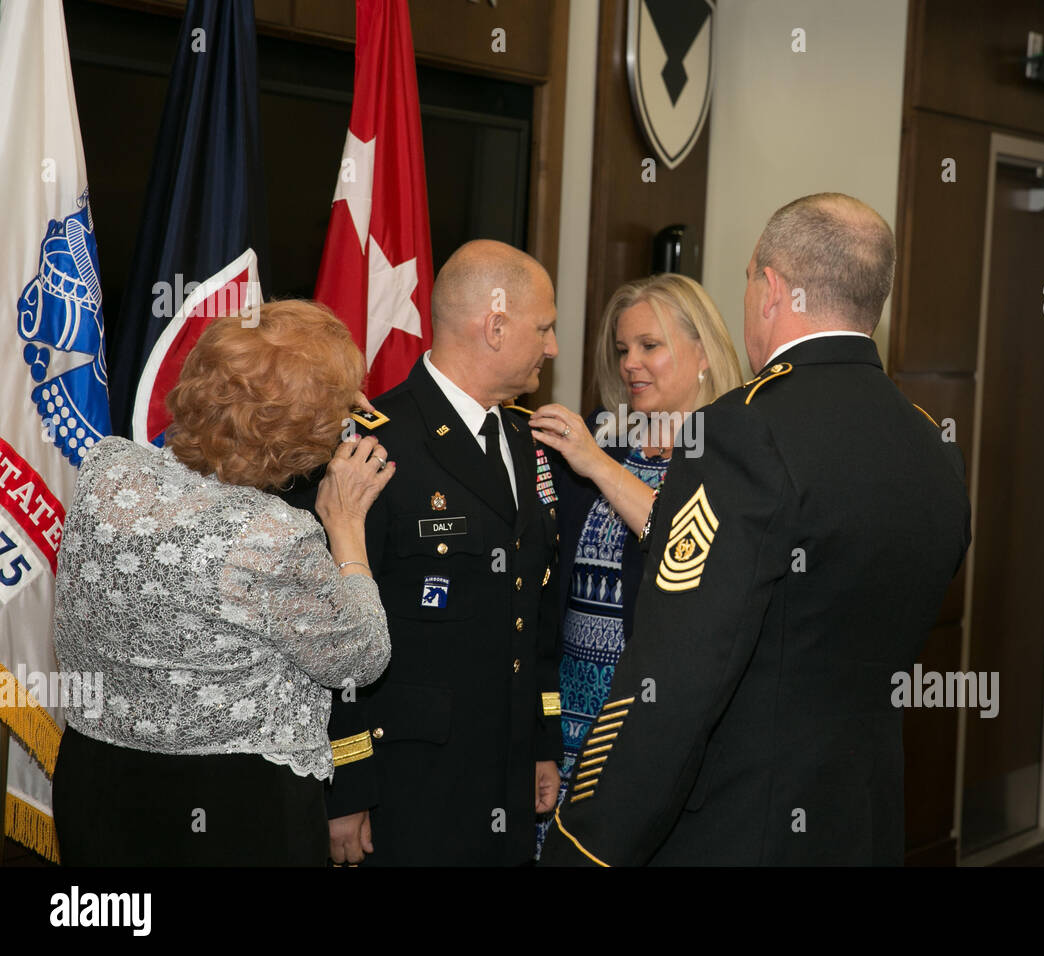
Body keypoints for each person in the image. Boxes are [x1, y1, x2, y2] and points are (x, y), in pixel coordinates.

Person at [539, 193, 971, 866]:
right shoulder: (931, 445)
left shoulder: (742, 430)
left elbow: (677, 675)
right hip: (861, 818)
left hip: (739, 827)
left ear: (770, 289)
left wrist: (584, 842)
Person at [51, 300, 393, 866]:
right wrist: (348, 528)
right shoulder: (275, 536)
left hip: (97, 785)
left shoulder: (107, 471)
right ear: (305, 439)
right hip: (233, 812)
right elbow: (359, 659)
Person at [324, 239, 564, 866]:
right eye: (544, 328)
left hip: (505, 767)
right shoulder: (379, 444)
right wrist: (346, 787)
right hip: (411, 780)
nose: (553, 347)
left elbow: (534, 608)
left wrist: (543, 739)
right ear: (495, 326)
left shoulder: (524, 436)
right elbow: (333, 631)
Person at [526, 274, 743, 856]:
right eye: (623, 349)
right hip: (568, 717)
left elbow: (682, 543)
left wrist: (594, 463)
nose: (631, 364)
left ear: (703, 351)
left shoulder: (731, 450)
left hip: (647, 723)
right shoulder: (605, 440)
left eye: (650, 345)